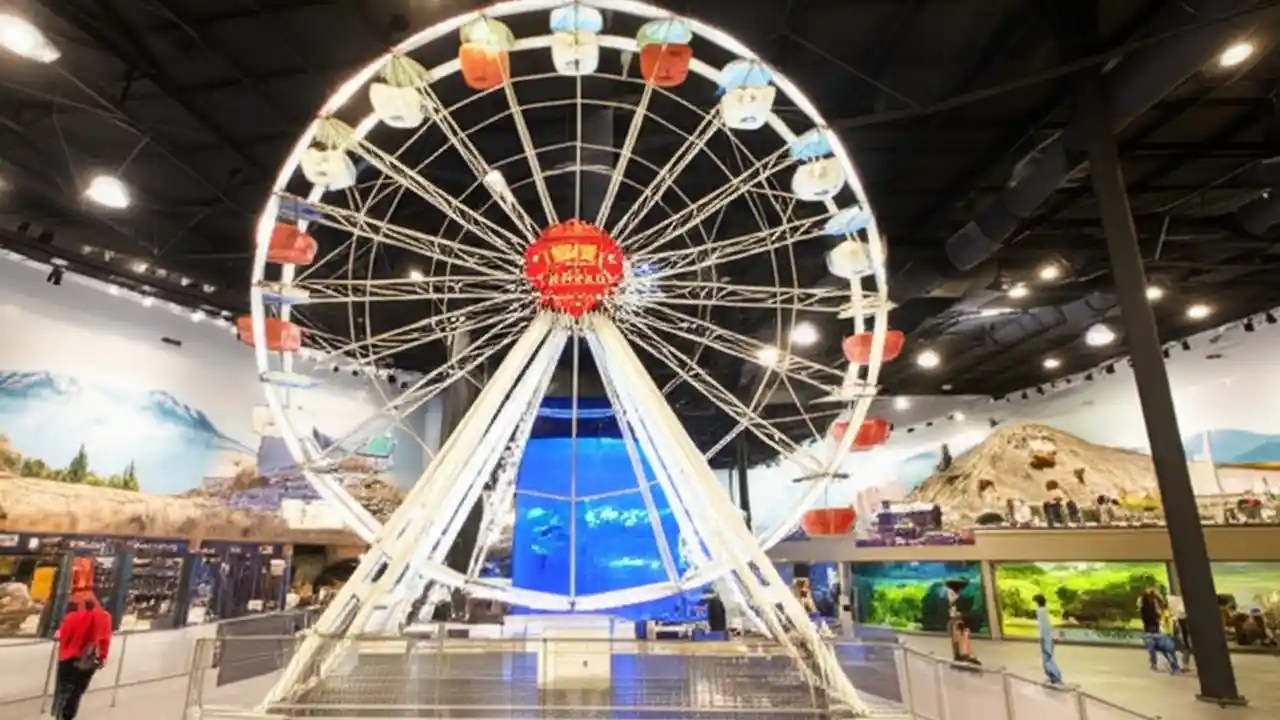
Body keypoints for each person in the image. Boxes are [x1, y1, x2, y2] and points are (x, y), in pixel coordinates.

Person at [53, 598, 112, 720]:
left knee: (64, 689)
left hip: (67, 657)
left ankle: (58, 713)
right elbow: (105, 640)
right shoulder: (105, 617)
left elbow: (62, 635)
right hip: (88, 659)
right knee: (77, 692)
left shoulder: (72, 617)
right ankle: (68, 716)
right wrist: (103, 657)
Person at [1138, 588, 1178, 673]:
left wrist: (1157, 603)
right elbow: (1145, 614)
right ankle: (1154, 663)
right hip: (1149, 633)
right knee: (1152, 648)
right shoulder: (1144, 607)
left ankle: (1174, 666)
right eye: (1149, 596)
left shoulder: (1157, 605)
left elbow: (1161, 613)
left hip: (1159, 632)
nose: (1150, 598)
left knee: (1168, 649)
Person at [1033, 594, 1063, 685]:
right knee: (1047, 658)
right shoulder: (1044, 610)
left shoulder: (1040, 611)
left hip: (1046, 638)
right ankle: (1052, 676)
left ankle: (1056, 676)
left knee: (1047, 658)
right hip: (1048, 637)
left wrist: (1041, 638)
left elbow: (1043, 626)